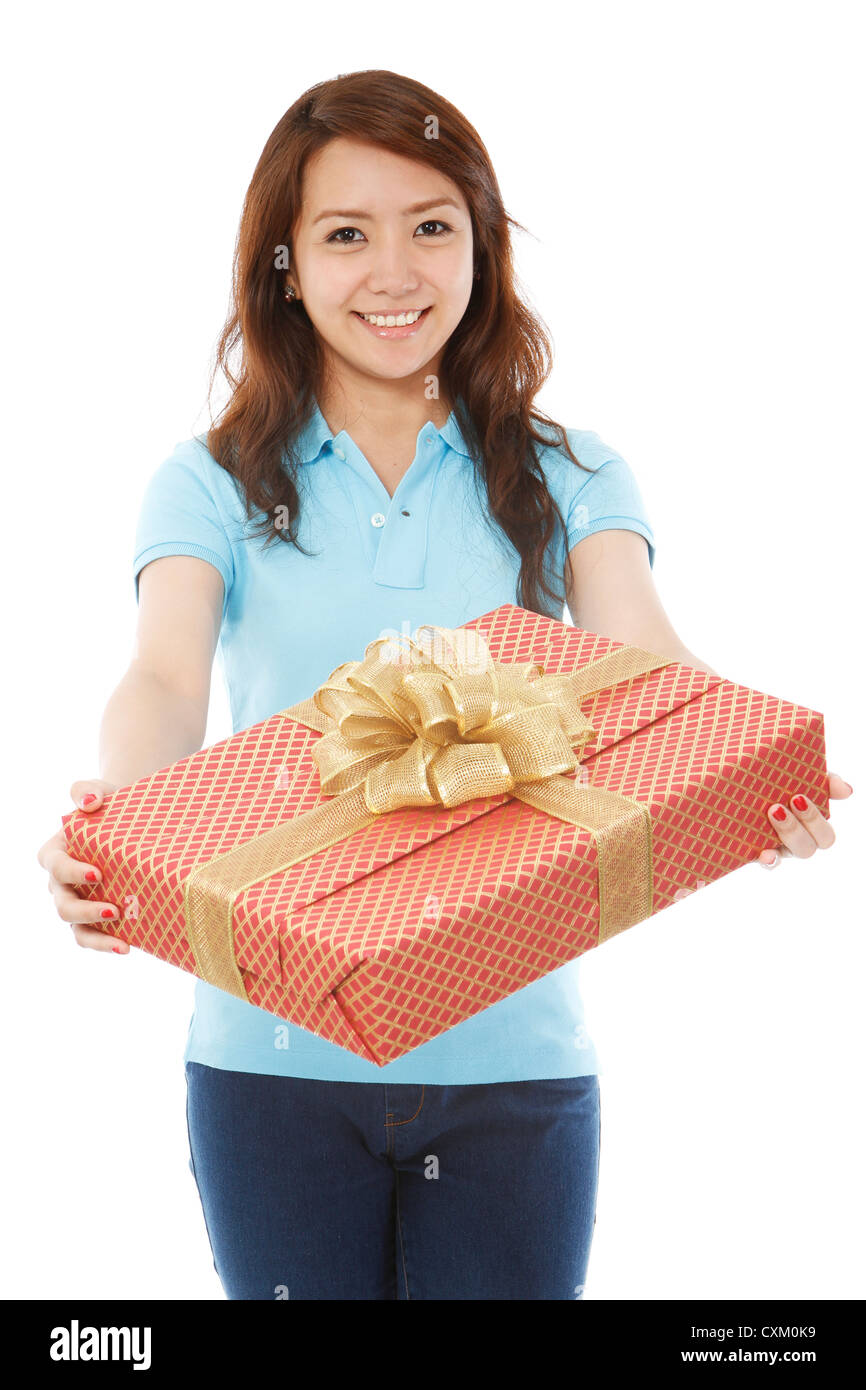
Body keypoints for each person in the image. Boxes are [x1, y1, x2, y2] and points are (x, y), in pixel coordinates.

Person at [37, 70, 852, 1301]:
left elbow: (649, 665)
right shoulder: (208, 482)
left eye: (431, 225)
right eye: (344, 234)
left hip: (514, 1057)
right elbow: (161, 675)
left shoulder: (571, 472)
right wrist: (126, 830)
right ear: (284, 264)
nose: (393, 272)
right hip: (268, 1057)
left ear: (480, 241)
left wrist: (747, 778)